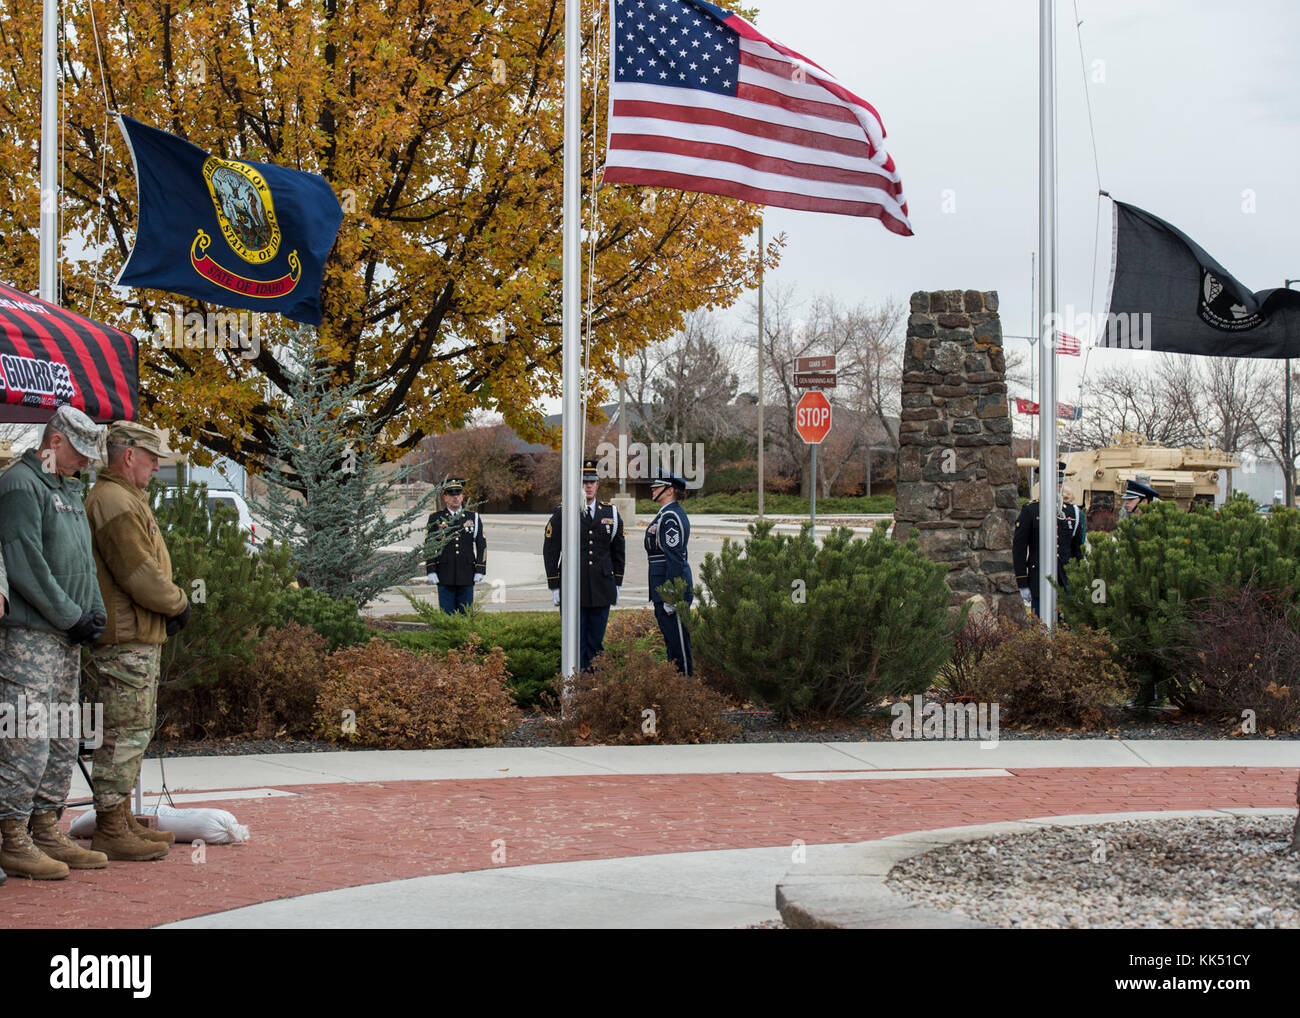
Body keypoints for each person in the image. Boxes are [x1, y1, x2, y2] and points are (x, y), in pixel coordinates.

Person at [0, 406, 109, 880]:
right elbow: (26, 565)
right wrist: (71, 616)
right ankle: (12, 835)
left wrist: (95, 612)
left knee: (63, 738)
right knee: (28, 736)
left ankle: (46, 827)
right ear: (56, 441)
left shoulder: (66, 488)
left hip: (64, 637)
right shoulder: (20, 485)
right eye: (80, 453)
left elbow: (82, 563)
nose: (85, 464)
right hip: (30, 637)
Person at [84, 422, 191, 861]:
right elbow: (139, 574)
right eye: (150, 458)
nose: (155, 466)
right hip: (124, 638)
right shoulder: (113, 500)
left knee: (132, 732)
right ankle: (111, 825)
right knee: (122, 734)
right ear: (128, 456)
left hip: (136, 634)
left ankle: (121, 818)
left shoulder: (122, 497)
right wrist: (179, 603)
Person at [542, 458, 625, 671]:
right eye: (584, 482)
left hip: (600, 587)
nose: (588, 486)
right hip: (573, 587)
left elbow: (618, 550)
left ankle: (594, 689)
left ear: (597, 484)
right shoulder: (564, 512)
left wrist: (617, 583)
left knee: (595, 642)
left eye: (592, 482)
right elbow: (551, 549)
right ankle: (574, 688)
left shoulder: (611, 514)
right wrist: (554, 584)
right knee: (574, 643)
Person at [1013, 462, 1086, 620]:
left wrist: (1081, 579)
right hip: (1039, 581)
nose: (1057, 487)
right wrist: (1022, 582)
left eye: (1060, 483)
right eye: (1054, 484)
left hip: (1066, 581)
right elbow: (1019, 549)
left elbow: (1077, 550)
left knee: (1066, 629)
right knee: (1041, 628)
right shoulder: (1030, 511)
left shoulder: (1072, 512)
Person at [644, 471, 693, 674]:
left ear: (670, 490)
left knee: (679, 643)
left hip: (671, 590)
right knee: (671, 643)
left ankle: (686, 688)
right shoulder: (664, 514)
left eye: (658, 486)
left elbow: (674, 558)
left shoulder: (671, 517)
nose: (653, 489)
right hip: (662, 588)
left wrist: (671, 594)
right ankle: (677, 688)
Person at [425, 478, 486, 614]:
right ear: (445, 497)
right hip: (444, 573)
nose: (455, 497)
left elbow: (481, 545)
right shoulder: (436, 518)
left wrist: (480, 568)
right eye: (451, 494)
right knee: (446, 615)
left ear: (463, 496)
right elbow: (429, 546)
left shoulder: (473, 517)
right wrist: (431, 569)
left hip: (467, 573)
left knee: (466, 615)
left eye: (458, 493)